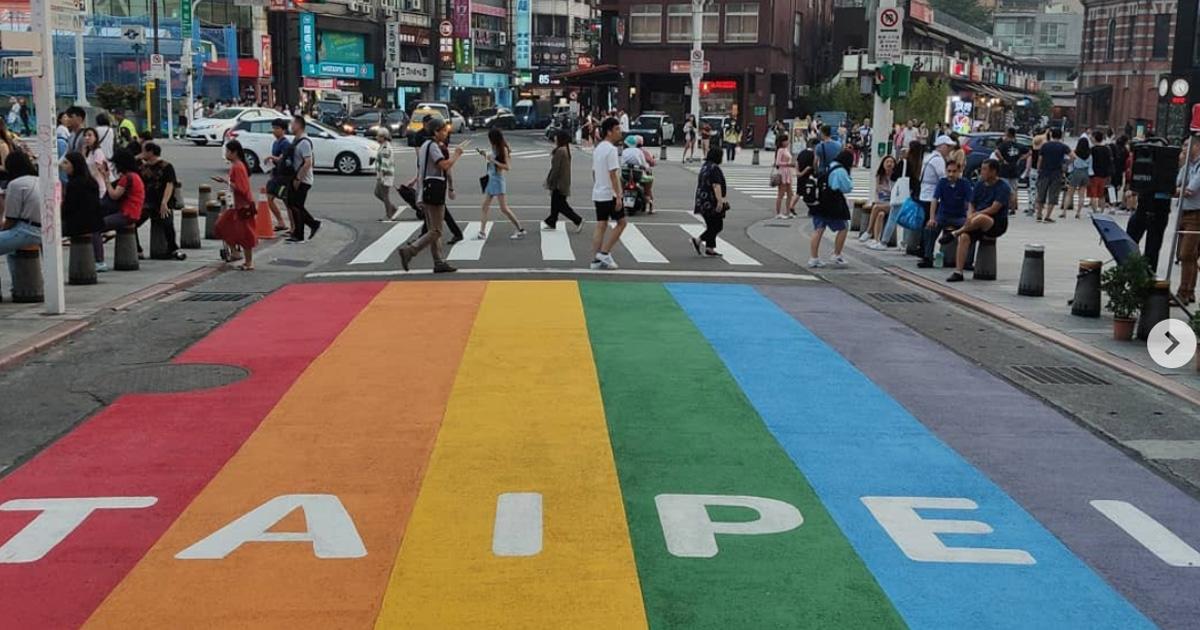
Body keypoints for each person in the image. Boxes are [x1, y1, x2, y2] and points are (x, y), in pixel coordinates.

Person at [397, 118, 464, 273]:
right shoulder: (433, 147)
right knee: (437, 231)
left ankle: (438, 262)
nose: (446, 134)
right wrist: (456, 155)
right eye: (443, 131)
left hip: (425, 190)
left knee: (432, 228)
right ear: (436, 132)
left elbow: (422, 170)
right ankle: (410, 251)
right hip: (434, 191)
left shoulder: (424, 146)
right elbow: (444, 165)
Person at [945, 159, 1010, 282]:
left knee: (981, 218)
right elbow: (971, 203)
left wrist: (975, 215)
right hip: (974, 222)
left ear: (993, 171)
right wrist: (970, 215)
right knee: (964, 237)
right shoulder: (980, 184)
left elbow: (994, 209)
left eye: (985, 169)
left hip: (995, 223)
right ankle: (958, 271)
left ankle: (955, 233)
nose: (982, 172)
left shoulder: (1003, 187)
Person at [92, 150, 143, 272]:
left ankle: (99, 261)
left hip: (127, 214)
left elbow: (114, 195)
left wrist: (107, 180)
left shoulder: (127, 178)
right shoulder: (135, 176)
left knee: (95, 227)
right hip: (133, 212)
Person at [211, 141, 258, 270]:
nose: (226, 154)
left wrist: (226, 181)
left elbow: (242, 188)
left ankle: (249, 262)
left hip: (243, 206)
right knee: (222, 225)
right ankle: (235, 252)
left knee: (245, 233)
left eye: (227, 151)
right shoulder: (237, 166)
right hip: (236, 205)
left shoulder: (238, 167)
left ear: (234, 152)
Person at [138, 142, 186, 260]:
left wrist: (164, 202)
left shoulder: (166, 166)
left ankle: (174, 249)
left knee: (167, 223)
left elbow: (170, 184)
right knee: (132, 223)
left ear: (150, 152)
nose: (141, 154)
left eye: (143, 151)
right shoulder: (142, 167)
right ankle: (138, 249)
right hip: (147, 203)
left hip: (162, 202)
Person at [0, 151, 43, 281]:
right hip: (44, 229)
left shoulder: (16, 184)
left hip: (27, 230)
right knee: (11, 249)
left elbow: (11, 218)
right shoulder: (40, 180)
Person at [808, 149, 854, 268]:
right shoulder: (840, 171)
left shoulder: (830, 165)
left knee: (818, 229)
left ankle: (813, 258)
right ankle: (837, 254)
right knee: (843, 227)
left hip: (819, 202)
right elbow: (847, 188)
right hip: (833, 203)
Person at [590, 117, 626, 270]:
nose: (620, 132)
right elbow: (613, 174)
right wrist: (618, 195)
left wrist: (598, 185)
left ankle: (596, 260)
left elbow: (593, 172)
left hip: (598, 192)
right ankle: (604, 252)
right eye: (617, 129)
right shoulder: (611, 150)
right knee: (622, 223)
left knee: (601, 225)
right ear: (609, 132)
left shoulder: (598, 149)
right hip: (609, 193)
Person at [923, 158, 972, 267]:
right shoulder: (942, 182)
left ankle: (967, 261)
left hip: (959, 217)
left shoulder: (964, 183)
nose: (951, 174)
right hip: (943, 216)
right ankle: (928, 257)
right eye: (949, 171)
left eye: (954, 171)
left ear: (959, 172)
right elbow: (935, 200)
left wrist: (969, 218)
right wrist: (932, 218)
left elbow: (969, 203)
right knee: (929, 229)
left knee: (970, 231)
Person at [478, 128, 525, 240]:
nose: (489, 141)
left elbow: (507, 167)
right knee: (485, 206)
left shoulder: (503, 149)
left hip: (498, 180)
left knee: (503, 208)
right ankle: (482, 232)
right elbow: (492, 161)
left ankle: (520, 229)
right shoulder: (495, 147)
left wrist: (493, 160)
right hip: (491, 178)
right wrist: (485, 155)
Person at [915, 135, 952, 266]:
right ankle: (925, 250)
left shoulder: (929, 156)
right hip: (932, 195)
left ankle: (923, 248)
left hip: (924, 193)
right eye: (948, 146)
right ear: (941, 146)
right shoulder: (938, 160)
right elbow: (943, 177)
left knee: (926, 223)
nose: (949, 149)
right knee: (930, 224)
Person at [285, 115, 320, 243]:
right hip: (296, 178)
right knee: (293, 204)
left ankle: (303, 232)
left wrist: (298, 179)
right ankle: (305, 228)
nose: (290, 126)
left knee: (296, 206)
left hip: (302, 180)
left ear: (299, 125)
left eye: (292, 123)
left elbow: (308, 162)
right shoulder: (297, 139)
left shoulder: (304, 142)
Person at [1173, 140, 1200, 304]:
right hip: (1184, 213)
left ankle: (1183, 292)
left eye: (1186, 145)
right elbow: (1177, 182)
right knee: (1190, 255)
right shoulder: (1188, 165)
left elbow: (1190, 190)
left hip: (1196, 214)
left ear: (1197, 146)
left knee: (1186, 254)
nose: (1183, 148)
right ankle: (1189, 291)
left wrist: (1176, 190)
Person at [690, 146, 728, 257]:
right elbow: (716, 185)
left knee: (711, 224)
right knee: (717, 226)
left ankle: (710, 248)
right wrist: (720, 201)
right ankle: (698, 240)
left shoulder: (705, 166)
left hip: (702, 200)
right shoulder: (715, 168)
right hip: (710, 201)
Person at [543, 129, 584, 232]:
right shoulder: (565, 149)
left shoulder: (560, 151)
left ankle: (578, 220)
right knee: (555, 203)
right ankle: (552, 221)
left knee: (561, 205)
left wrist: (550, 181)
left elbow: (555, 169)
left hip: (559, 183)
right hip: (563, 182)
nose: (555, 138)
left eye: (556, 136)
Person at [59, 152, 104, 239]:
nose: (62, 166)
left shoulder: (74, 184)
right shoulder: (91, 181)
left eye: (66, 163)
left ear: (74, 165)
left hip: (79, 224)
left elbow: (69, 208)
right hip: (95, 223)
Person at [1035, 128, 1070, 223]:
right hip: (1057, 173)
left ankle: (1039, 214)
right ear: (1061, 136)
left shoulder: (1045, 146)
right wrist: (1066, 165)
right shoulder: (1063, 147)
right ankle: (1047, 216)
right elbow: (1073, 156)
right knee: (1053, 195)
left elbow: (1040, 159)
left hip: (1044, 172)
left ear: (1051, 135)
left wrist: (1038, 169)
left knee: (1041, 194)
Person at [263, 118, 291, 231]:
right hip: (276, 174)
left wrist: (272, 158)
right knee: (270, 197)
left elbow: (285, 160)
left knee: (286, 201)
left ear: (283, 130)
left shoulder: (285, 143)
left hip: (283, 176)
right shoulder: (275, 143)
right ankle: (281, 222)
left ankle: (289, 225)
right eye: (273, 128)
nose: (274, 131)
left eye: (277, 128)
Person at [864, 155, 897, 246]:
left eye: (891, 162)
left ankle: (869, 231)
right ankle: (876, 239)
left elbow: (893, 192)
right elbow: (878, 192)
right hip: (882, 202)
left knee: (876, 207)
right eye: (887, 162)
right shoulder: (880, 176)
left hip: (892, 203)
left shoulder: (896, 177)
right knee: (880, 214)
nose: (889, 164)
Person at [994, 128, 1024, 214]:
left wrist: (1002, 160)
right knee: (1013, 189)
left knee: (1005, 189)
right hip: (1014, 168)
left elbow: (996, 151)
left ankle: (1006, 207)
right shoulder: (1018, 145)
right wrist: (1019, 159)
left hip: (1005, 169)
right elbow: (1029, 152)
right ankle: (1013, 208)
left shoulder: (1004, 144)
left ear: (1008, 134)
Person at [374, 128, 398, 220]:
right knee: (378, 193)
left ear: (384, 137)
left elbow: (385, 163)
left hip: (385, 175)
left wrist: (382, 176)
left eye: (379, 136)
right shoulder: (383, 146)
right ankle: (391, 208)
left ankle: (389, 214)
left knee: (384, 195)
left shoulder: (385, 148)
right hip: (383, 174)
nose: (377, 138)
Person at [788, 139, 816, 216]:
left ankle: (791, 206)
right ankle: (811, 209)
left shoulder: (802, 152)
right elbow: (811, 166)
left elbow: (797, 162)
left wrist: (798, 172)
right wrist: (802, 173)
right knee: (809, 193)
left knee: (799, 192)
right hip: (808, 176)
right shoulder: (813, 154)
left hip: (800, 175)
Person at [1087, 129, 1113, 215]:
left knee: (1094, 194)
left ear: (1095, 138)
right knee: (1102, 194)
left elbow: (1089, 161)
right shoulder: (1107, 149)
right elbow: (1109, 162)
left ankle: (1095, 211)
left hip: (1094, 174)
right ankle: (1102, 211)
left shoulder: (1092, 149)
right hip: (1104, 174)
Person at [1064, 135, 1091, 216]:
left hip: (1076, 172)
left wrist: (1069, 171)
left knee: (1070, 193)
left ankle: (1064, 211)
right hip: (1085, 172)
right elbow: (1090, 166)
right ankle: (1078, 213)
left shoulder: (1075, 152)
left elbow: (1070, 164)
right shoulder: (1089, 154)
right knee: (1082, 194)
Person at [80, 127, 108, 196]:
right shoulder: (90, 152)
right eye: (85, 136)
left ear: (95, 138)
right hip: (92, 186)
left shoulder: (97, 152)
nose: (87, 138)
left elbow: (100, 170)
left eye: (90, 135)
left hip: (99, 187)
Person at [773, 134, 795, 220]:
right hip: (783, 172)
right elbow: (777, 162)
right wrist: (788, 164)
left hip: (788, 172)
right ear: (782, 142)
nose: (787, 142)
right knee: (781, 194)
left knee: (790, 193)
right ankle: (778, 213)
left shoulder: (786, 149)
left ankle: (788, 212)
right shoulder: (780, 150)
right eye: (786, 140)